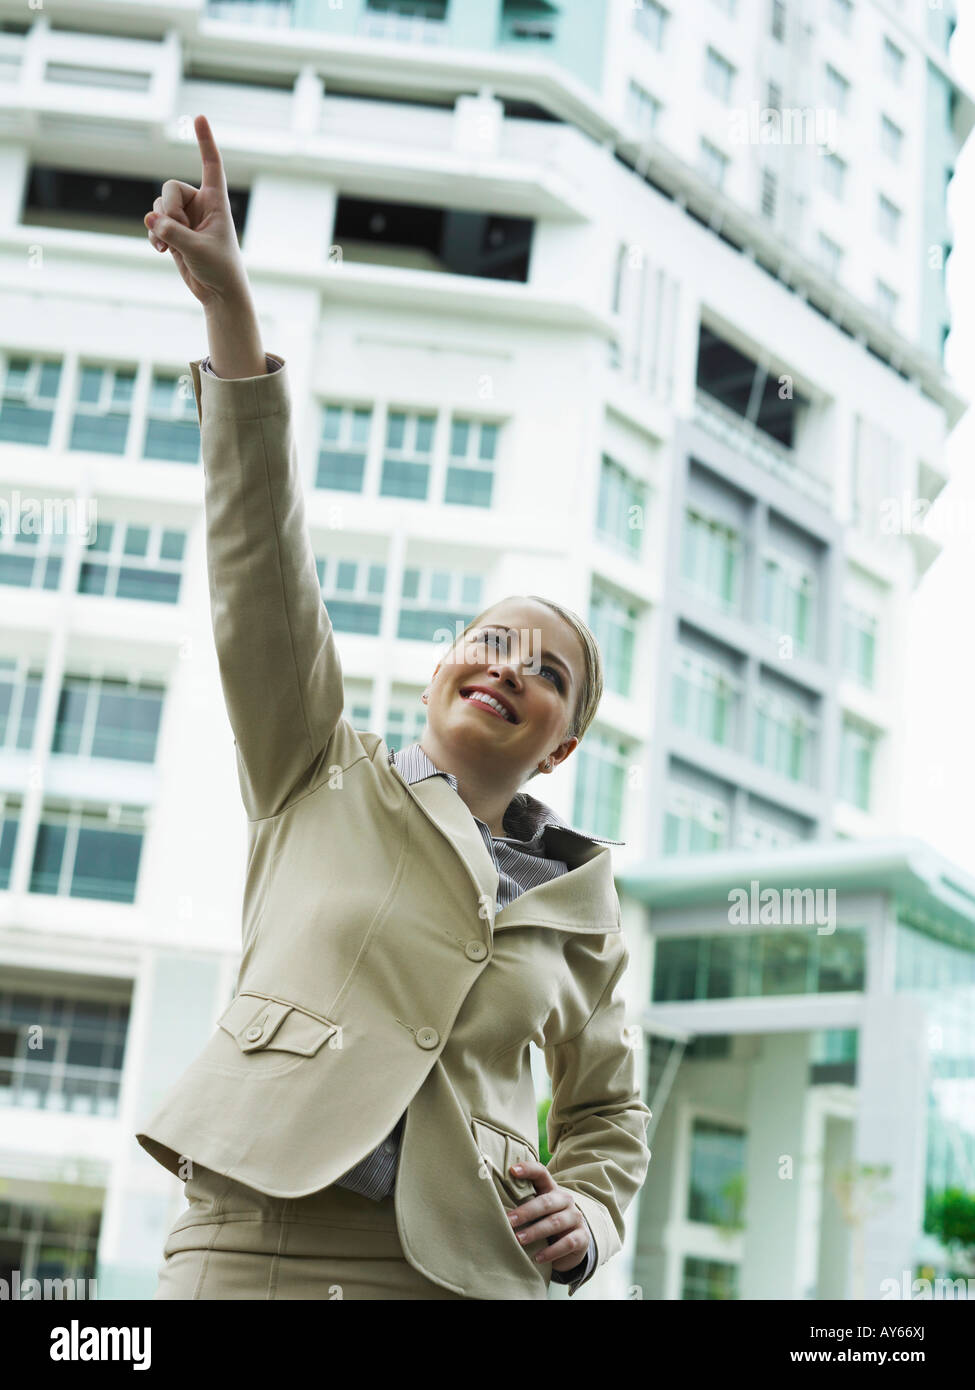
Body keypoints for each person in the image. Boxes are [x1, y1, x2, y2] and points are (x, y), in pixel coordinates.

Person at [136, 115, 652, 1300]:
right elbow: (259, 560)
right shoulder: (316, 767)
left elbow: (610, 1109)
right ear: (440, 675)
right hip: (253, 1228)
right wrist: (230, 314)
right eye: (491, 642)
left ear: (561, 742)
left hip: (467, 1266)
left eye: (549, 670)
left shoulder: (585, 910)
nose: (512, 665)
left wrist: (595, 1207)